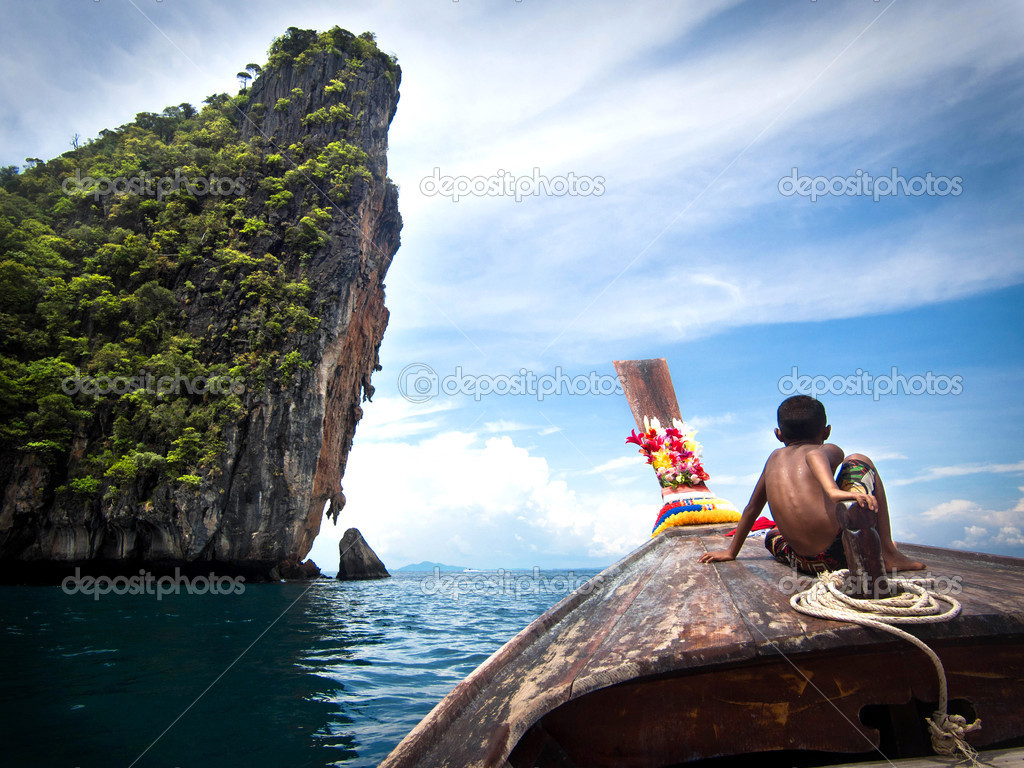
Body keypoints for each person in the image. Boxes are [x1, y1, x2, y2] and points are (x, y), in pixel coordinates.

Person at [697, 395, 925, 574]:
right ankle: (888, 552)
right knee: (860, 460)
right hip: (842, 553)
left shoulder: (773, 459)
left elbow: (751, 510)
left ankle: (871, 545)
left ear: (778, 434)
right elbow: (815, 458)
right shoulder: (827, 449)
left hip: (803, 562)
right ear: (826, 431)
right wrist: (833, 491)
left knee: (772, 536)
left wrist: (730, 552)